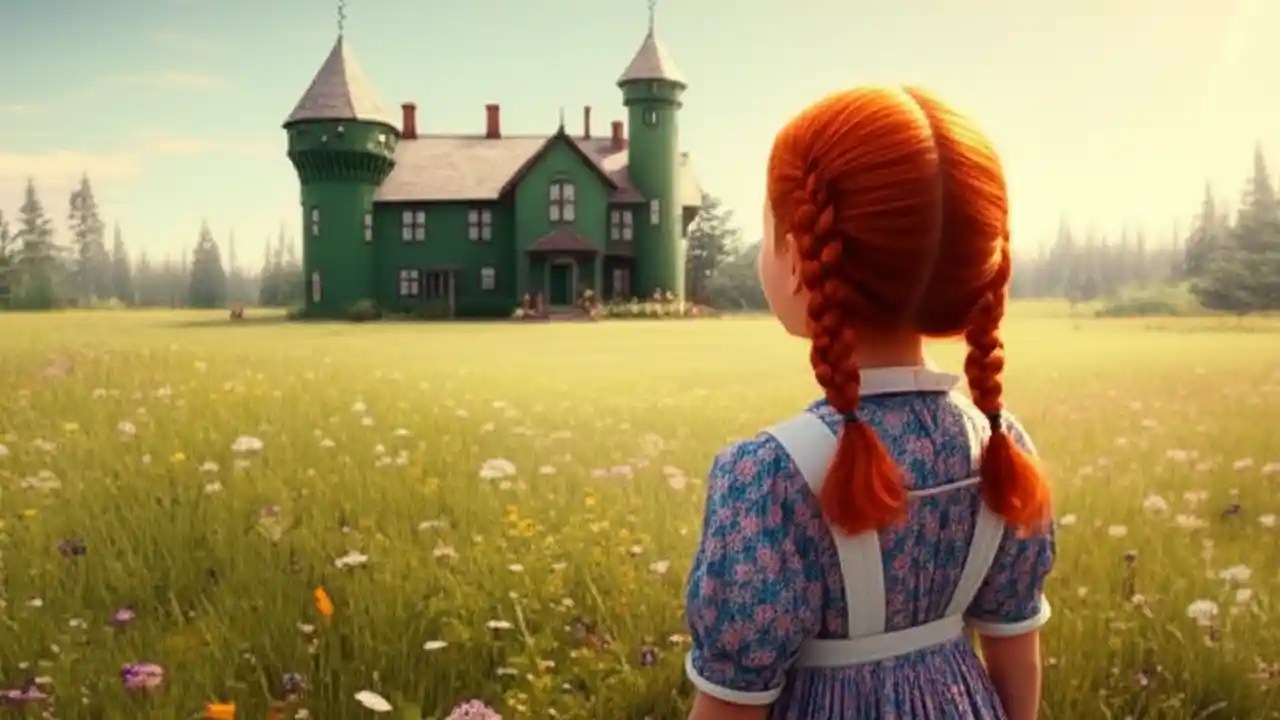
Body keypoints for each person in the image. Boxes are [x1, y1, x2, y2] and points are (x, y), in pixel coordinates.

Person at [683, 86, 1055, 720]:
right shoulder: (999, 447)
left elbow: (732, 707)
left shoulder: (768, 476)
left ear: (799, 255)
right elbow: (1014, 647)